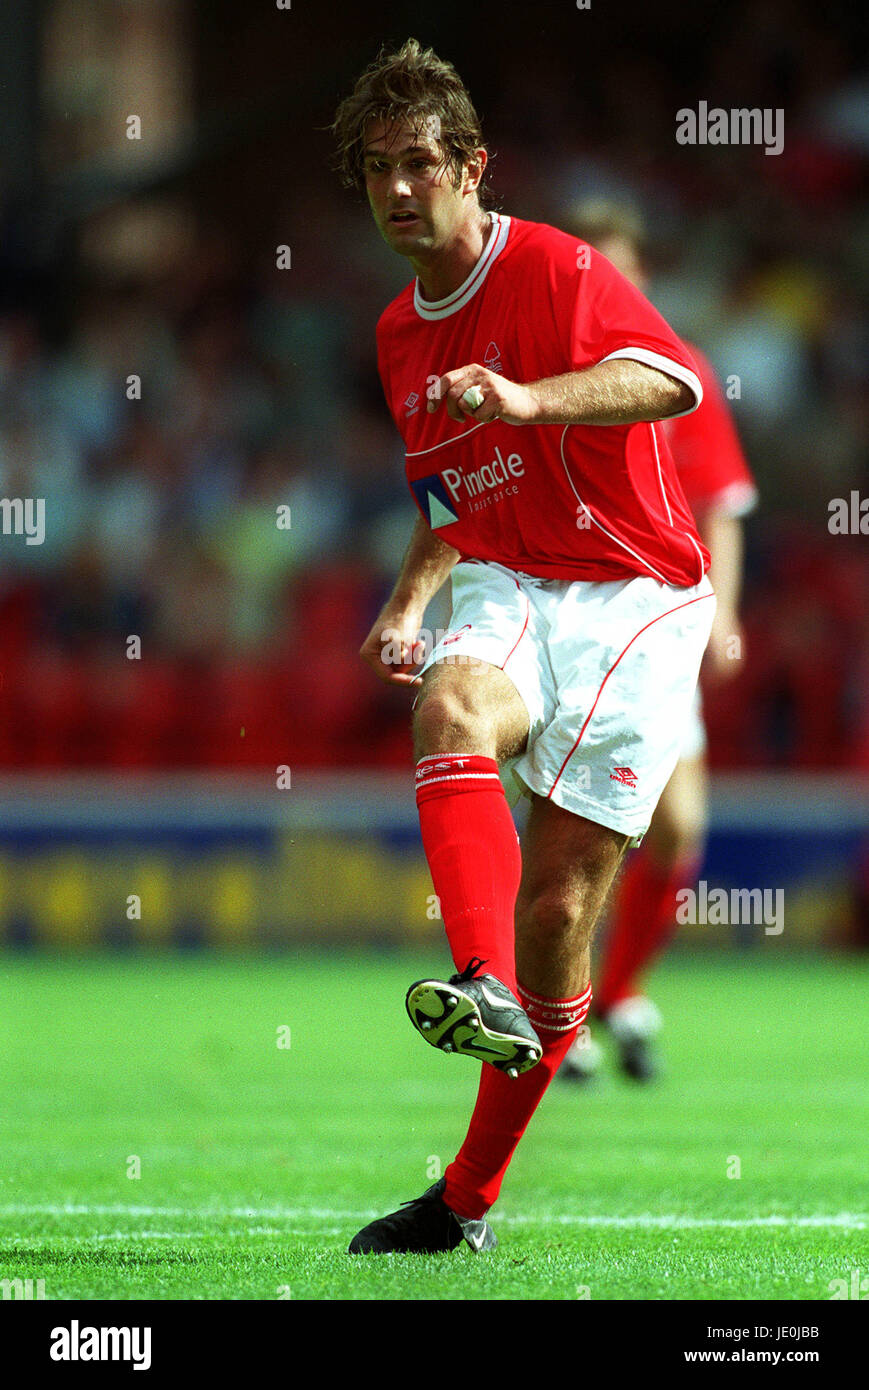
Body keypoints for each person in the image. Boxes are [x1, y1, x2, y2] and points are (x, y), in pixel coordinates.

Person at [332, 39, 716, 1255]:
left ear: (472, 167)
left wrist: (532, 397)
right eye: (377, 171)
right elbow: (449, 498)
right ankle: (477, 978)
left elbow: (670, 385)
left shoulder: (554, 266)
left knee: (559, 913)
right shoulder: (400, 333)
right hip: (508, 577)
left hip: (635, 592)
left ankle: (465, 1199)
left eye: (420, 165)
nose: (399, 190)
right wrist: (407, 601)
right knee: (446, 707)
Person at [557, 202, 757, 1082]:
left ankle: (618, 989)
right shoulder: (540, 377)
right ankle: (555, 1015)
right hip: (566, 618)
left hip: (662, 616)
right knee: (563, 837)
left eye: (620, 272)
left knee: (675, 827)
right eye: (589, 272)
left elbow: (719, 503)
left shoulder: (681, 373)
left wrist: (724, 611)